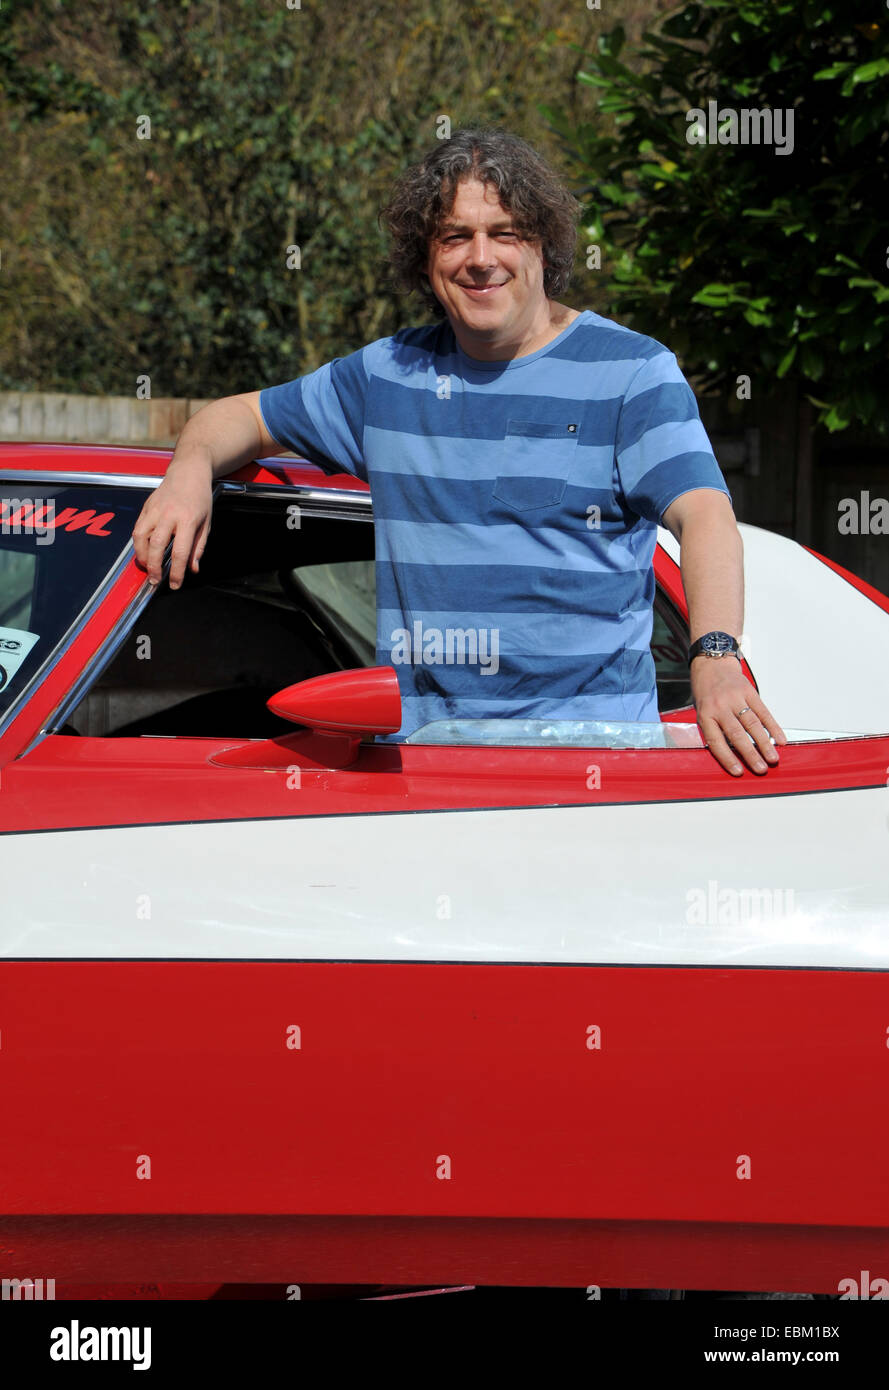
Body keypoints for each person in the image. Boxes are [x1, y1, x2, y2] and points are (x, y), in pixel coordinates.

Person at [132, 126, 785, 776]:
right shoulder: (386, 377)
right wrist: (189, 471)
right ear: (425, 258)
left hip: (593, 771)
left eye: (504, 232)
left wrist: (716, 657)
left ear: (544, 247)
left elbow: (703, 516)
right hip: (424, 774)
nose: (480, 258)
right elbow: (240, 414)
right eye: (455, 236)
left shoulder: (631, 371)